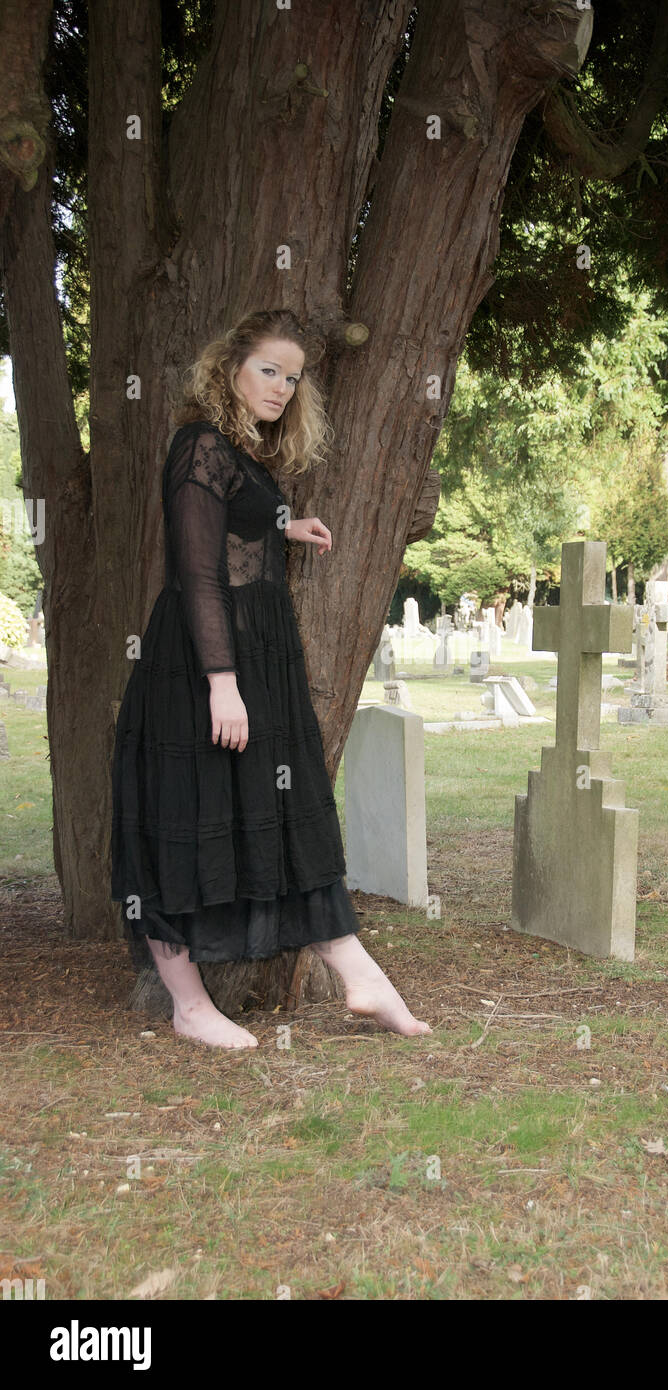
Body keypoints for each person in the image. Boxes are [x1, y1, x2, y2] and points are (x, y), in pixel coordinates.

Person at [111, 309, 431, 1047]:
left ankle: (360, 976)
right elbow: (195, 571)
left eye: (292, 377)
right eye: (268, 370)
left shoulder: (238, 452)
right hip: (199, 665)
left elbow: (236, 517)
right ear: (229, 368)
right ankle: (188, 1004)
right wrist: (222, 682)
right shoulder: (197, 445)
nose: (283, 387)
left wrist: (284, 525)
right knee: (184, 819)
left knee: (284, 808)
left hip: (260, 652)